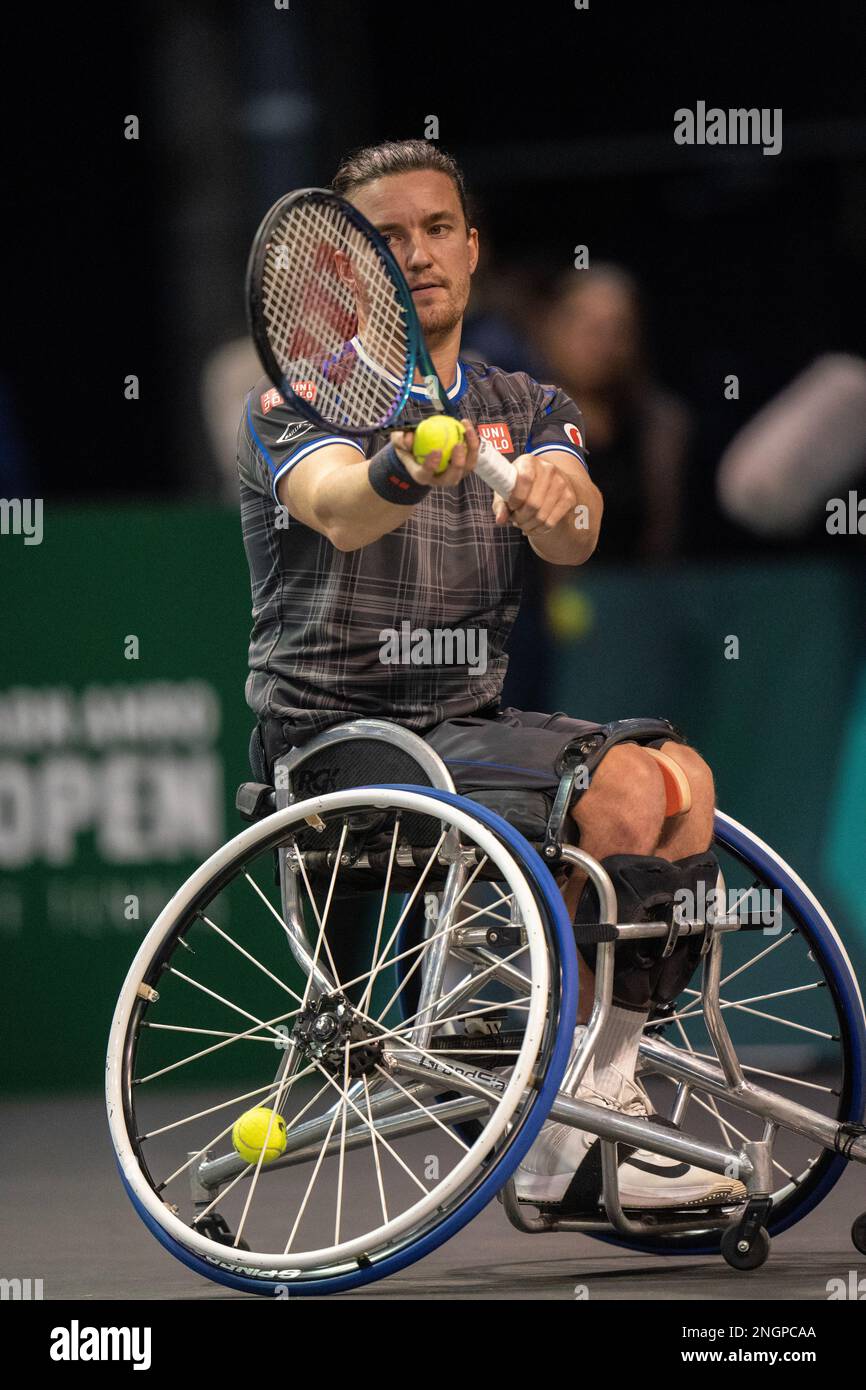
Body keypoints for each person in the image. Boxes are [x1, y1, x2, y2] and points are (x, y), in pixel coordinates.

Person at [236, 139, 743, 1214]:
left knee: (683, 780)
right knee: (620, 789)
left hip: (468, 730)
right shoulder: (294, 405)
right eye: (382, 238)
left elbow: (573, 530)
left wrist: (562, 498)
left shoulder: (528, 397)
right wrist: (403, 464)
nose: (413, 254)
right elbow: (338, 505)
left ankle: (597, 1094)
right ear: (345, 269)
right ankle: (565, 1136)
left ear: (471, 249)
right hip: (339, 750)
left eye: (433, 230)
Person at [535, 265, 691, 561]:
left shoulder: (662, 424)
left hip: (640, 592)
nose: (602, 345)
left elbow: (664, 538)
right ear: (553, 329)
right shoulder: (522, 416)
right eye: (588, 328)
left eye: (618, 330)